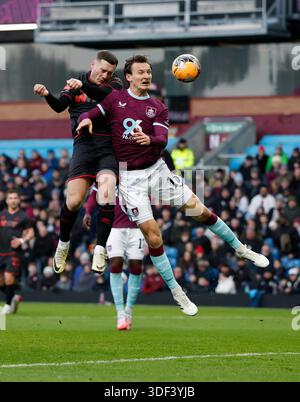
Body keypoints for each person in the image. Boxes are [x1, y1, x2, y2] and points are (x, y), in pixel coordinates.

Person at [75, 55, 269, 316]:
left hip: (156, 170)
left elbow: (163, 138)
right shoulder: (115, 99)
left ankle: (241, 249)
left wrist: (150, 140)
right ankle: (178, 291)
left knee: (198, 210)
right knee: (153, 235)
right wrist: (86, 119)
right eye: (140, 72)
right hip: (129, 179)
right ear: (129, 77)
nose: (146, 76)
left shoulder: (158, 106)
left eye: (149, 72)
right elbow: (92, 112)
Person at [33, 50, 123, 275]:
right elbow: (59, 106)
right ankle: (63, 244)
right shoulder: (76, 83)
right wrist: (46, 94)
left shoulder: (116, 86)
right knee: (73, 203)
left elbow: (106, 98)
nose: (105, 75)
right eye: (102, 70)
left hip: (108, 148)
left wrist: (81, 87)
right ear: (93, 65)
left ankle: (101, 248)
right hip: (83, 147)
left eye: (109, 72)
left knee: (106, 193)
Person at [84, 188, 145, 331]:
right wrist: (87, 211)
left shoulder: (137, 169)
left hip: (137, 226)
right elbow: (94, 193)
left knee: (136, 267)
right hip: (114, 227)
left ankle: (129, 310)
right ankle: (120, 313)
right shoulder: (107, 170)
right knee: (115, 264)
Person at [0, 189, 34, 314]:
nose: (13, 200)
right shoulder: (1, 214)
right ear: (7, 200)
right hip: (1, 252)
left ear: (19, 200)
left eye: (15, 198)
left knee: (9, 277)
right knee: (1, 282)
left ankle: (8, 306)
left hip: (14, 252)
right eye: (11, 198)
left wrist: (21, 240)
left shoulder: (23, 216)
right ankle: (13, 297)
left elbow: (31, 232)